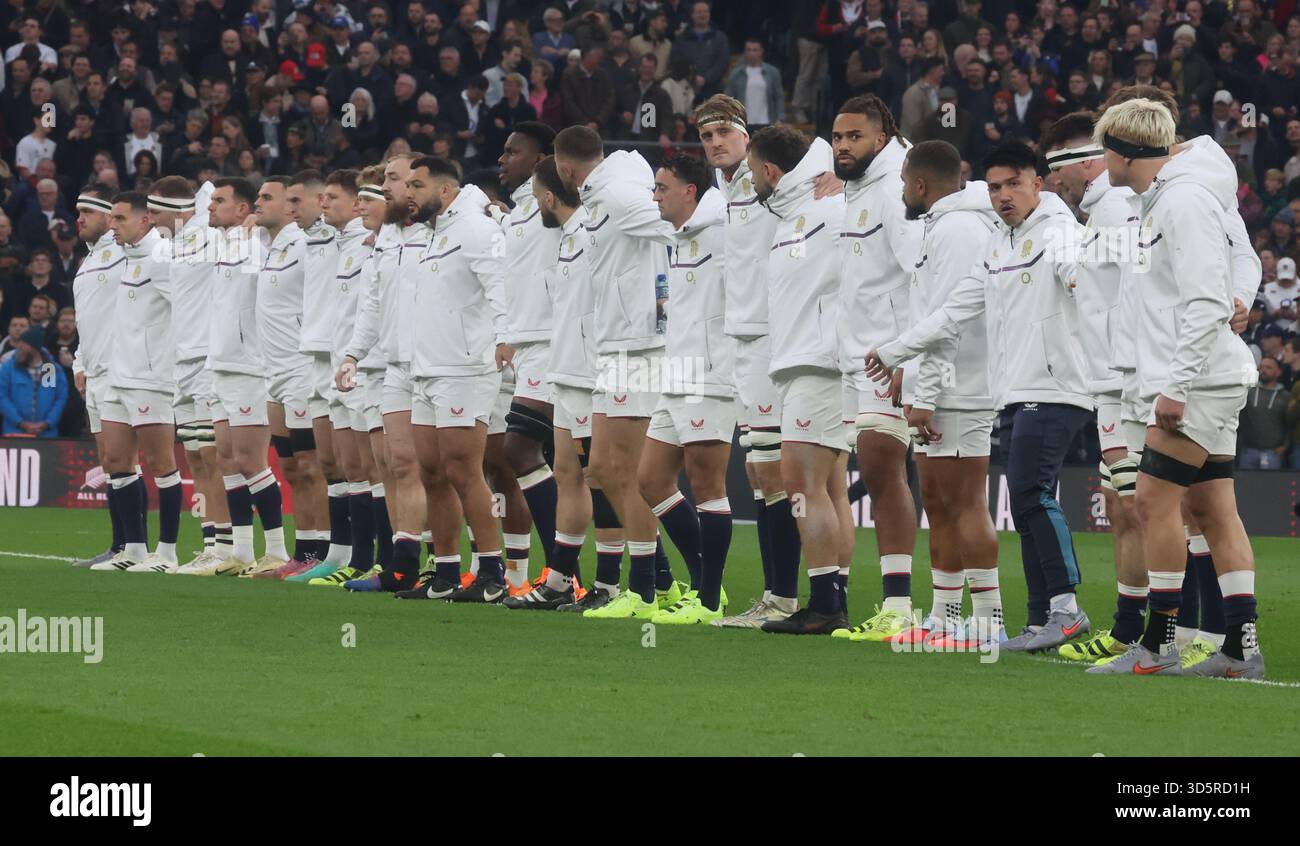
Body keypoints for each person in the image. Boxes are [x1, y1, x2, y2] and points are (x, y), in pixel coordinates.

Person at [867, 142, 1095, 653]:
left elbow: (1081, 277)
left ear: (1039, 182)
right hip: (1012, 389)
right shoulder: (1000, 242)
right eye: (995, 186)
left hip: (1045, 385)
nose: (1004, 195)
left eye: (1014, 183)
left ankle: (1043, 612)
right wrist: (893, 352)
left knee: (1022, 495)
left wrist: (1090, 285)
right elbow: (952, 311)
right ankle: (1031, 621)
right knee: (1001, 497)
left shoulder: (1056, 232)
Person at [1088, 97, 1264, 679]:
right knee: (1213, 509)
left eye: (1104, 148)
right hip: (1205, 377)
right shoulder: (1164, 199)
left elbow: (1205, 301)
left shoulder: (1182, 202)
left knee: (1151, 503)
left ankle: (1159, 643)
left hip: (1198, 381)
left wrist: (1176, 386)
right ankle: (1241, 649)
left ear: (1122, 150)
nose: (1101, 159)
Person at [552, 126, 681, 619]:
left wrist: (661, 298)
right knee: (604, 470)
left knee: (620, 473)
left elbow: (674, 222)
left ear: (565, 168)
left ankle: (649, 589)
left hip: (638, 348)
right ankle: (652, 586)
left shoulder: (617, 195)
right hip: (618, 347)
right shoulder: (604, 194)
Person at [893, 139, 1006, 648]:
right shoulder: (942, 225)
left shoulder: (959, 229)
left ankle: (988, 620)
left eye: (902, 182)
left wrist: (927, 393)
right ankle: (945, 614)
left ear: (920, 184)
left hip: (961, 388)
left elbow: (952, 322)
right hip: (941, 386)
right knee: (937, 502)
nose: (901, 190)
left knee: (965, 502)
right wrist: (910, 375)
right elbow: (929, 316)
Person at [1040, 111, 1145, 664]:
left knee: (1146, 509)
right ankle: (1136, 628)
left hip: (1129, 383)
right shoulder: (1100, 214)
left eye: (1057, 168)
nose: (1052, 181)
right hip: (1113, 381)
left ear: (1087, 162)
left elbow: (1138, 291)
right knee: (1123, 507)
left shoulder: (1119, 208)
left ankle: (1171, 632)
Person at [692, 95, 798, 629]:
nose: (714, 144)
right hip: (741, 342)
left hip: (771, 340)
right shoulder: (724, 191)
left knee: (774, 472)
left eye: (723, 134)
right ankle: (776, 597)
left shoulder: (775, 178)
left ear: (745, 133)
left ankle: (787, 597)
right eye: (706, 137)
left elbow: (819, 159)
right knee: (759, 475)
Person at [746, 123, 851, 636]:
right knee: (811, 485)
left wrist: (854, 185)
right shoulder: (796, 212)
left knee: (804, 483)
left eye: (752, 174)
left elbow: (908, 200)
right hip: (799, 363)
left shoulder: (835, 206)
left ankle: (829, 602)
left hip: (822, 363)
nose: (750, 185)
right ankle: (829, 598)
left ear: (769, 172)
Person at [827, 95, 925, 642]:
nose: (843, 146)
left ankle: (899, 606)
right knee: (866, 470)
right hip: (853, 355)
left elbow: (919, 271)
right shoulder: (853, 189)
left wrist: (909, 355)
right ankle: (842, 598)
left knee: (883, 469)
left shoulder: (891, 191)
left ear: (881, 141)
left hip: (886, 357)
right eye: (838, 137)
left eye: (854, 137)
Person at [504, 155, 617, 610]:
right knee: (574, 470)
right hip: (561, 362)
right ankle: (562, 577)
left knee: (603, 474)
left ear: (549, 196)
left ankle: (632, 580)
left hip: (590, 366)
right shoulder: (567, 236)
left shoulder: (596, 230)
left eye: (537, 199)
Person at [404, 156, 512, 602]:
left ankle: (492, 571)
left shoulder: (475, 228)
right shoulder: (435, 232)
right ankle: (446, 572)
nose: (408, 193)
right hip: (428, 367)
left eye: (417, 184)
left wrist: (505, 337)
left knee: (463, 468)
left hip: (466, 367)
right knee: (430, 470)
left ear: (445, 190)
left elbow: (501, 284)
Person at [636, 154, 733, 624]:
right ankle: (704, 585)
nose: (655, 196)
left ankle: (709, 601)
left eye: (662, 187)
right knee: (651, 479)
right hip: (678, 371)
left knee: (707, 484)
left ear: (690, 190)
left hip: (710, 371)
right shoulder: (680, 238)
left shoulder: (722, 229)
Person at [337, 154, 429, 592]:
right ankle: (402, 562)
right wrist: (353, 354)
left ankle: (462, 565)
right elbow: (371, 305)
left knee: (442, 469)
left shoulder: (443, 229)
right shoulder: (388, 237)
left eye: (393, 179)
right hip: (394, 365)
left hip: (440, 366)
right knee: (395, 463)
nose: (386, 186)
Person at [144, 177, 235, 575]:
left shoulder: (209, 234)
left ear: (179, 210)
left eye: (156, 212)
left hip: (207, 357)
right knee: (196, 455)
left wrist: (204, 204)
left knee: (212, 455)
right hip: (182, 359)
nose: (149, 220)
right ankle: (211, 542)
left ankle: (228, 546)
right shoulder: (173, 248)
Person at [203, 177, 292, 577]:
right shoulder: (222, 246)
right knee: (226, 458)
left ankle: (277, 548)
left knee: (250, 459)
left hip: (249, 365)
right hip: (220, 363)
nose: (210, 206)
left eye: (219, 201)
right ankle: (241, 549)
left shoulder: (260, 246)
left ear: (241, 210)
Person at [299, 169, 383, 588]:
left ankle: (382, 559)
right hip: (338, 363)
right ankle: (349, 557)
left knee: (373, 467)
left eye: (333, 196)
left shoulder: (370, 245)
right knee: (349, 465)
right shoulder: (337, 244)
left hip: (367, 368)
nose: (323, 202)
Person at [91, 191, 182, 573]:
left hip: (149, 376)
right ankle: (133, 549)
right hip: (117, 373)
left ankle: (168, 552)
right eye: (111, 218)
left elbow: (187, 309)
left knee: (161, 463)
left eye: (120, 218)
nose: (112, 225)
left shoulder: (161, 258)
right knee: (115, 460)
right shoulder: (128, 257)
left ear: (145, 220)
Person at [246, 175, 330, 579]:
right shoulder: (266, 245)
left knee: (312, 465)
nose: (257, 203)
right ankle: (304, 551)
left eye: (267, 197)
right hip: (273, 371)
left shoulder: (303, 241)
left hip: (301, 368)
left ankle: (323, 552)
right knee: (292, 469)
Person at [491, 123, 562, 595]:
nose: (502, 159)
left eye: (513, 152)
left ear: (540, 160)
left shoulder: (562, 206)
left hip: (559, 344)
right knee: (576, 464)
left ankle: (565, 572)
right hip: (527, 347)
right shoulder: (516, 215)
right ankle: (569, 574)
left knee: (521, 451)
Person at [66, 187, 131, 569]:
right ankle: (119, 545)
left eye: (87, 211)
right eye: (78, 212)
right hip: (94, 372)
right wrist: (79, 361)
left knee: (124, 459)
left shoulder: (125, 252)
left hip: (120, 371)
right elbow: (88, 320)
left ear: (110, 216)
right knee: (110, 462)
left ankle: (132, 547)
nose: (79, 219)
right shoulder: (88, 261)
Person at [0, 325, 67, 437]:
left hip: (46, 435)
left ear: (34, 347)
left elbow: (60, 398)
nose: (19, 346)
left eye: (23, 344)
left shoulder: (52, 369)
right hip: (14, 433)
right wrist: (20, 422)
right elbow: (2, 396)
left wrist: (47, 423)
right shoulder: (9, 368)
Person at [1238, 357, 1291, 469]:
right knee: (1246, 485)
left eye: (1268, 367)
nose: (1263, 370)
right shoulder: (1248, 392)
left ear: (1278, 372)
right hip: (1248, 450)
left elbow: (1291, 423)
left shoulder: (1286, 396)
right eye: (1261, 367)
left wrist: (1285, 446)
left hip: (1273, 452)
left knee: (1272, 485)